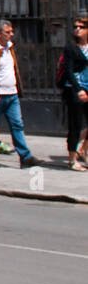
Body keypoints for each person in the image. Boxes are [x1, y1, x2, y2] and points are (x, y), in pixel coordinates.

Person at [0, 20, 43, 168]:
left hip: (12, 94)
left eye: (11, 32)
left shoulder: (10, 49)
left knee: (17, 125)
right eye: (8, 32)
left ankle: (25, 156)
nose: (11, 34)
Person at [61, 12, 88, 171]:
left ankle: (83, 149)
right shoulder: (71, 47)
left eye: (81, 27)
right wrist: (79, 90)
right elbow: (68, 71)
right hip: (74, 89)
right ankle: (72, 159)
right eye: (75, 27)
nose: (77, 29)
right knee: (75, 124)